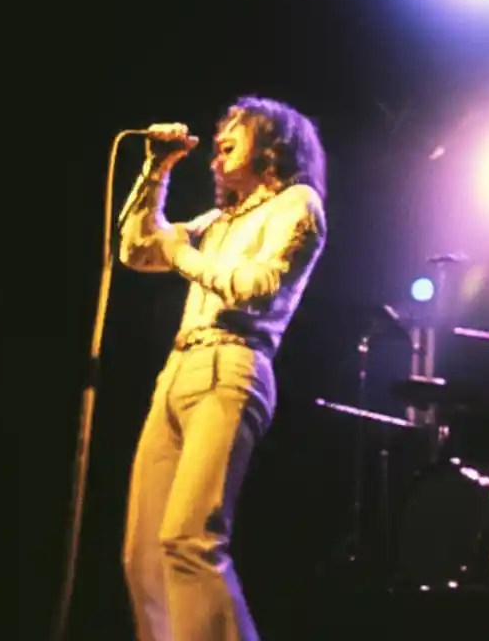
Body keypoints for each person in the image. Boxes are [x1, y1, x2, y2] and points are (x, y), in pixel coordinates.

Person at [117, 96, 327, 640]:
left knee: (191, 539)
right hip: (179, 371)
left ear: (274, 144)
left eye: (239, 126)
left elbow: (255, 288)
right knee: (142, 554)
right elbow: (137, 250)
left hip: (231, 365)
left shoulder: (298, 204)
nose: (222, 135)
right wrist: (155, 168)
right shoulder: (217, 220)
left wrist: (183, 255)